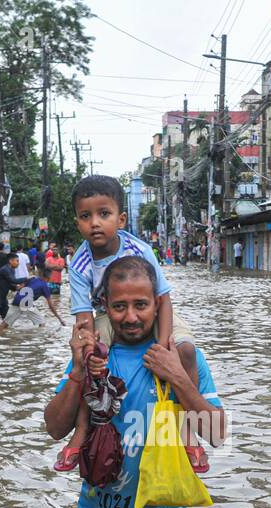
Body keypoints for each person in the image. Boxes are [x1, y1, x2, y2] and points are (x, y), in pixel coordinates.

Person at [43, 256, 226, 508]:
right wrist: (76, 371)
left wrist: (177, 376)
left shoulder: (181, 356)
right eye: (119, 306)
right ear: (104, 307)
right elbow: (55, 427)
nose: (130, 316)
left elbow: (216, 432)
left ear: (158, 305)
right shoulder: (94, 359)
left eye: (140, 305)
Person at [56, 174, 206, 473]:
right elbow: (84, 318)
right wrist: (88, 351)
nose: (95, 223)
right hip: (108, 318)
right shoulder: (78, 264)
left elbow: (163, 300)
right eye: (86, 216)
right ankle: (82, 430)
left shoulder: (140, 250)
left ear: (121, 219)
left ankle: (188, 431)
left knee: (186, 349)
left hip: (154, 311)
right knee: (92, 362)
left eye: (104, 214)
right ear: (78, 223)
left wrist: (164, 344)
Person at [0, 251, 25, 330]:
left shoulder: (12, 270)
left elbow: (11, 284)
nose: (18, 263)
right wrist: (27, 278)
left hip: (3, 297)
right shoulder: (5, 269)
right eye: (17, 261)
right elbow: (14, 280)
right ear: (10, 261)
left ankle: (2, 335)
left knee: (8, 319)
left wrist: (18, 287)